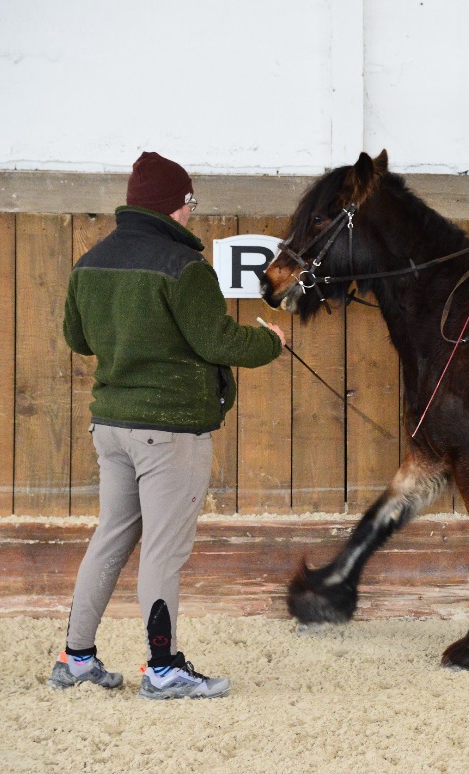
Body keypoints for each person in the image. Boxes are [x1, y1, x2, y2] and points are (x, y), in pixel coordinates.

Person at [48, 151, 287, 700]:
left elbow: (78, 339)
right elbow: (219, 342)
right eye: (190, 202)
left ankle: (76, 658)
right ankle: (163, 669)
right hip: (169, 433)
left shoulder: (89, 262)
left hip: (110, 427)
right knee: (162, 551)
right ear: (176, 206)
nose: (191, 213)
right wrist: (272, 342)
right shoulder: (185, 269)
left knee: (110, 537)